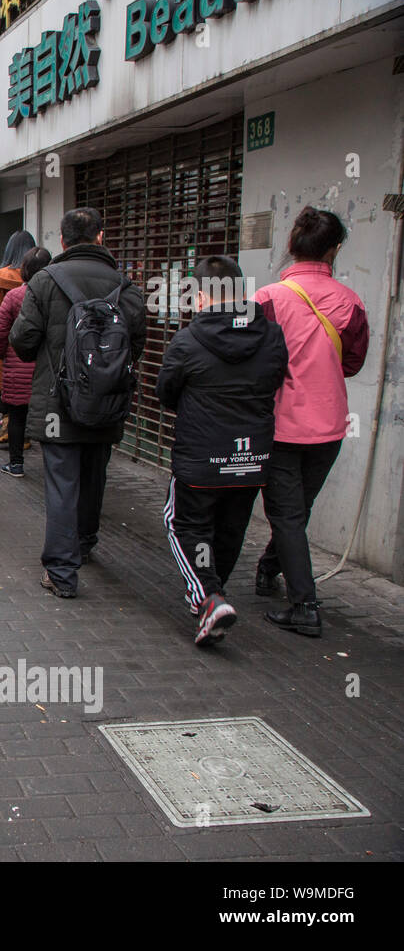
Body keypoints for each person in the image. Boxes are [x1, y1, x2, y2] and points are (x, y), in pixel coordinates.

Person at [9, 207, 147, 599]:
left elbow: (21, 340)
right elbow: (137, 343)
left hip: (57, 402)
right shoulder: (126, 286)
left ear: (63, 240)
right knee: (95, 474)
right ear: (100, 237)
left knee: (62, 482)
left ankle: (62, 571)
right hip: (106, 400)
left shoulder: (45, 281)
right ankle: (85, 543)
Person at [157, 256, 289, 646]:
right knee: (230, 529)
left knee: (184, 526)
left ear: (201, 297)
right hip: (252, 457)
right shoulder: (273, 336)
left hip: (201, 458)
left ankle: (209, 598)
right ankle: (214, 600)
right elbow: (275, 380)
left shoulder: (187, 341)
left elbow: (166, 393)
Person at [251, 207, 370, 635]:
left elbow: (252, 364)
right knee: (296, 510)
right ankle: (268, 570)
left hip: (280, 425)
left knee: (286, 514)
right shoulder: (350, 302)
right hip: (330, 424)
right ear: (335, 250)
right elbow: (352, 363)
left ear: (291, 246)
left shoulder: (267, 299)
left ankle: (304, 605)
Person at [0, 246, 51, 477]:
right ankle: (52, 466)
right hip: (47, 368)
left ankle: (16, 463)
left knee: (16, 417)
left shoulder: (15, 296)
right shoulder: (55, 296)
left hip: (17, 367)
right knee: (49, 417)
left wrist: (6, 353)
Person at [0, 231, 37, 446]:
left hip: (7, 343)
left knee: (7, 389)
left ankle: (10, 427)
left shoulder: (2, 278)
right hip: (35, 344)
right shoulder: (42, 278)